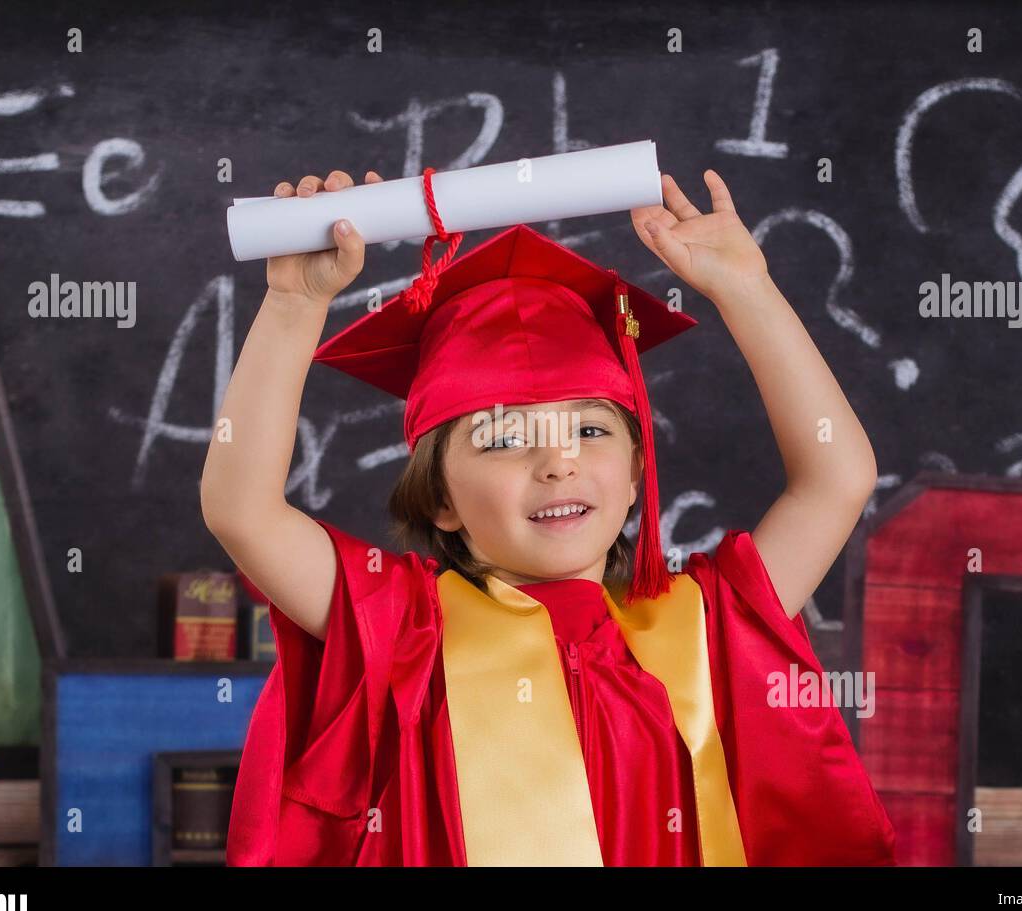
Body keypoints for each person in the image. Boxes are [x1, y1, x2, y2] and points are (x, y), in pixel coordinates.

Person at [201, 165, 897, 866]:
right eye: (503, 439)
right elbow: (243, 510)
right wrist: (294, 306)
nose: (557, 462)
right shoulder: (401, 629)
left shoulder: (705, 626)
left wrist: (746, 288)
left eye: (590, 431)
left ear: (634, 471)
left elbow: (837, 478)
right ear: (440, 499)